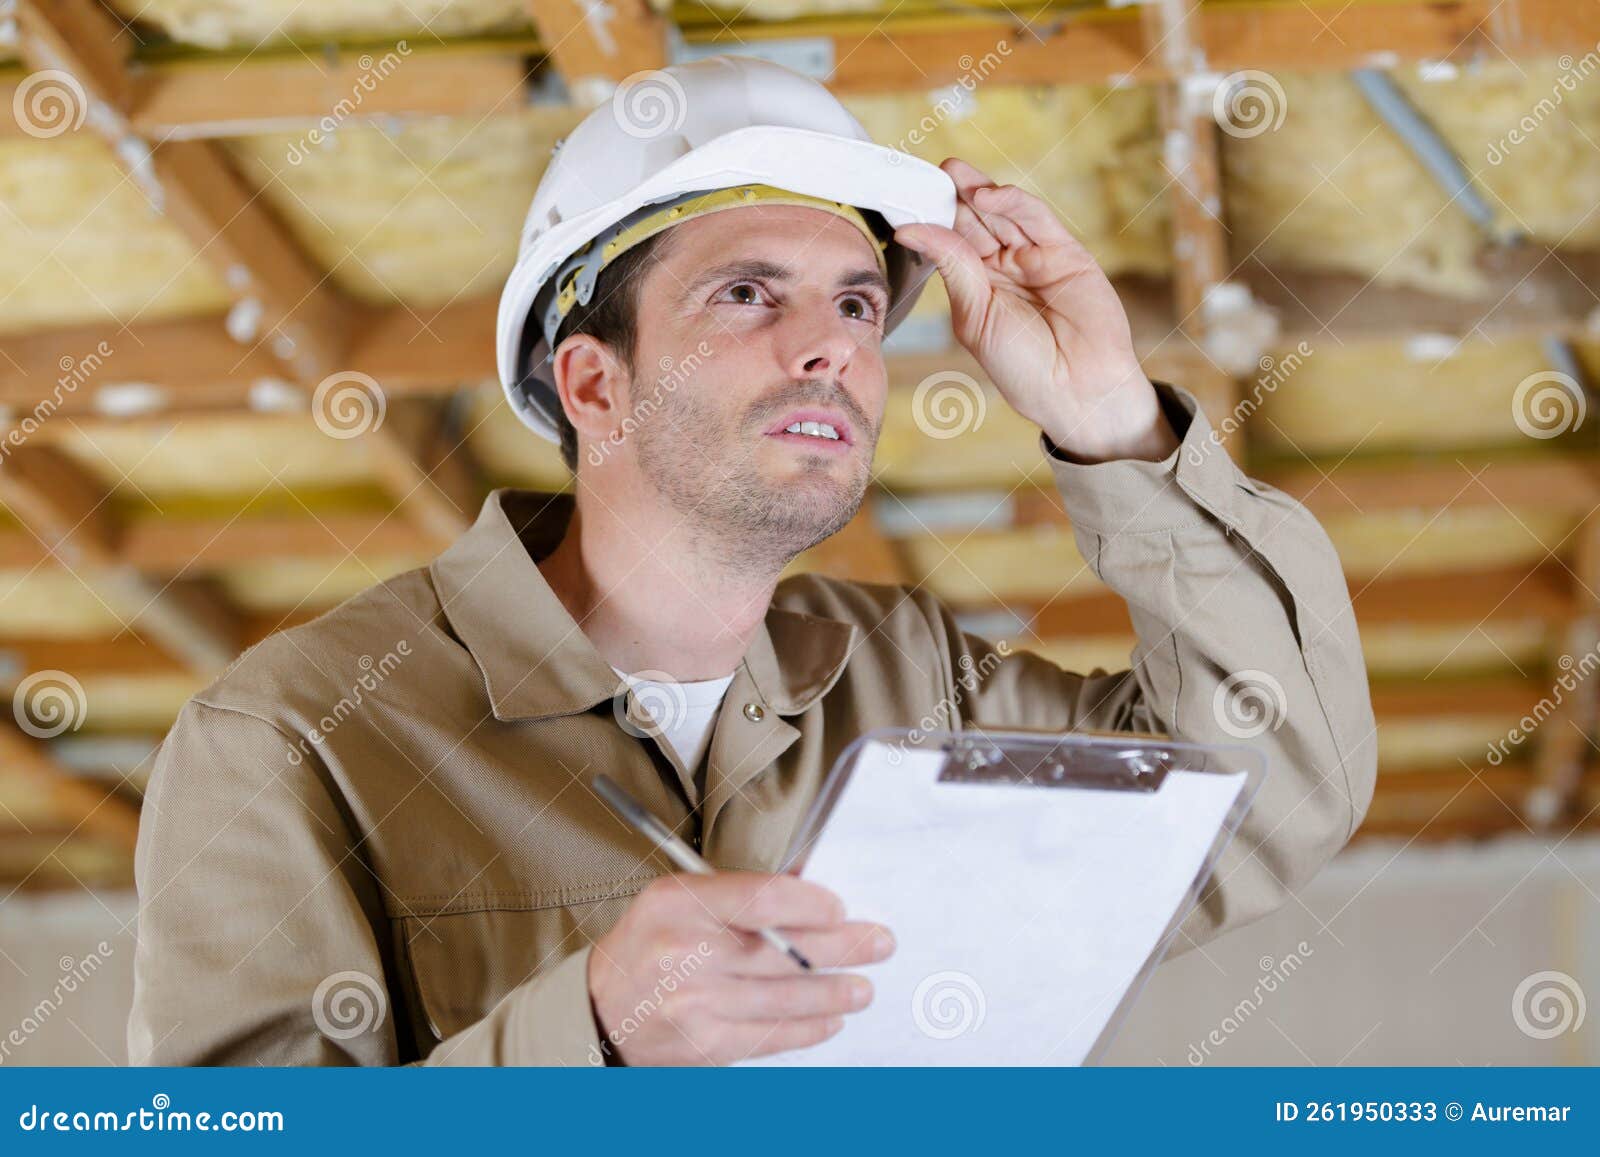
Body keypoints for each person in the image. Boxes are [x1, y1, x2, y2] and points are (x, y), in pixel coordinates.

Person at [128, 55, 1376, 1066]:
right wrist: (595, 1033)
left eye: (852, 303)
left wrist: (1111, 422)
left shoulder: (915, 680)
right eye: (744, 293)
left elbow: (1266, 784)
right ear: (592, 378)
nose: (829, 344)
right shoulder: (293, 736)